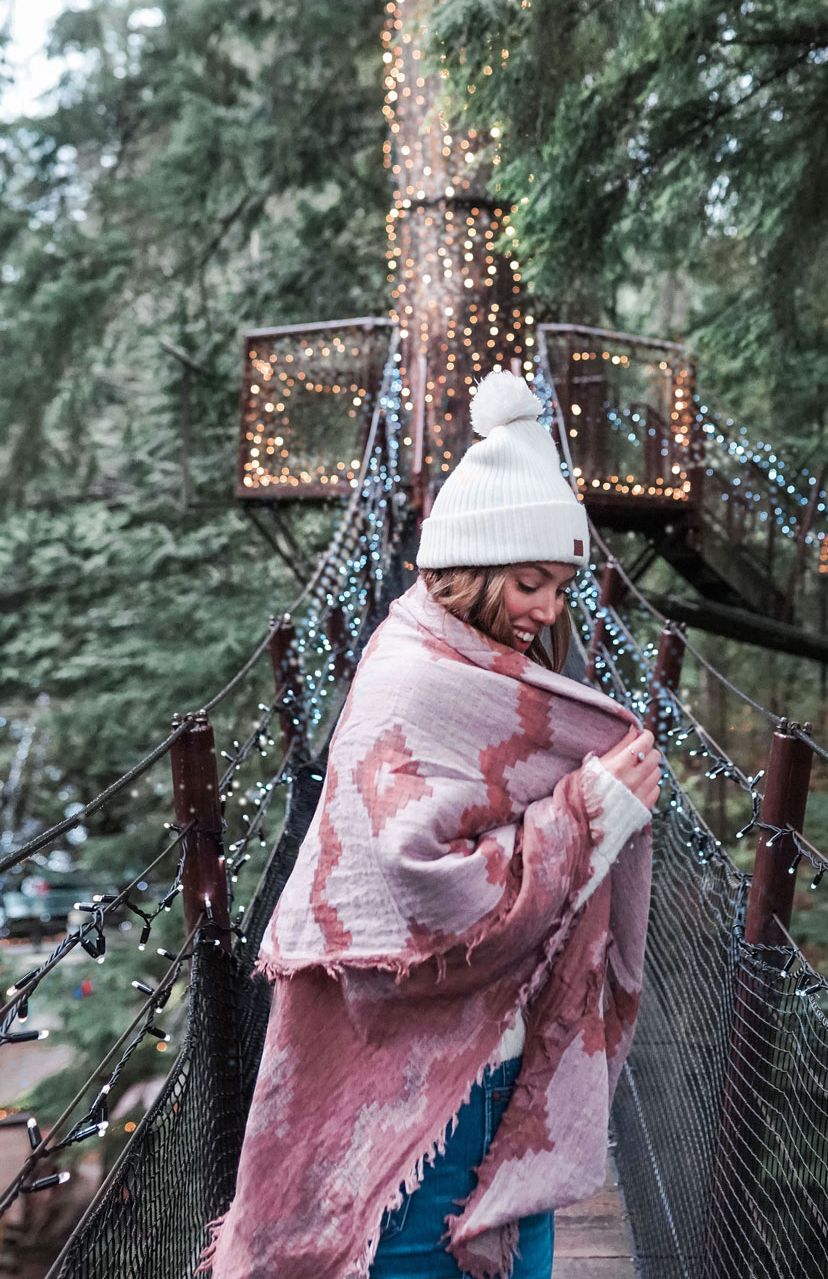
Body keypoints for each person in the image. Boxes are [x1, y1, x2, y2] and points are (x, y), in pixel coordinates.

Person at [199, 370, 659, 1279]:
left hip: (499, 1058)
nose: (548, 611)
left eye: (562, 589)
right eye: (531, 582)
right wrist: (590, 809)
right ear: (473, 569)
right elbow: (428, 893)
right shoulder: (414, 681)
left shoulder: (479, 667)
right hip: (441, 1080)